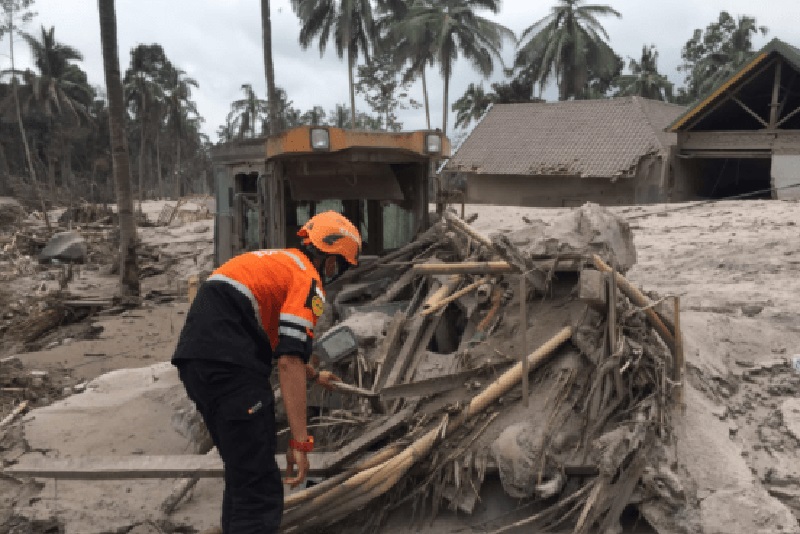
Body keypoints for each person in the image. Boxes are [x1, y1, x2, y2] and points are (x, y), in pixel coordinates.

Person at [172, 211, 361, 534]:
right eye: (341, 267)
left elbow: (282, 344)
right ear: (331, 263)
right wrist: (301, 443)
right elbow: (288, 361)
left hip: (197, 363)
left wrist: (314, 375)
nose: (336, 274)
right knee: (260, 491)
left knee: (243, 473)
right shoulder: (308, 281)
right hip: (231, 368)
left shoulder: (280, 262)